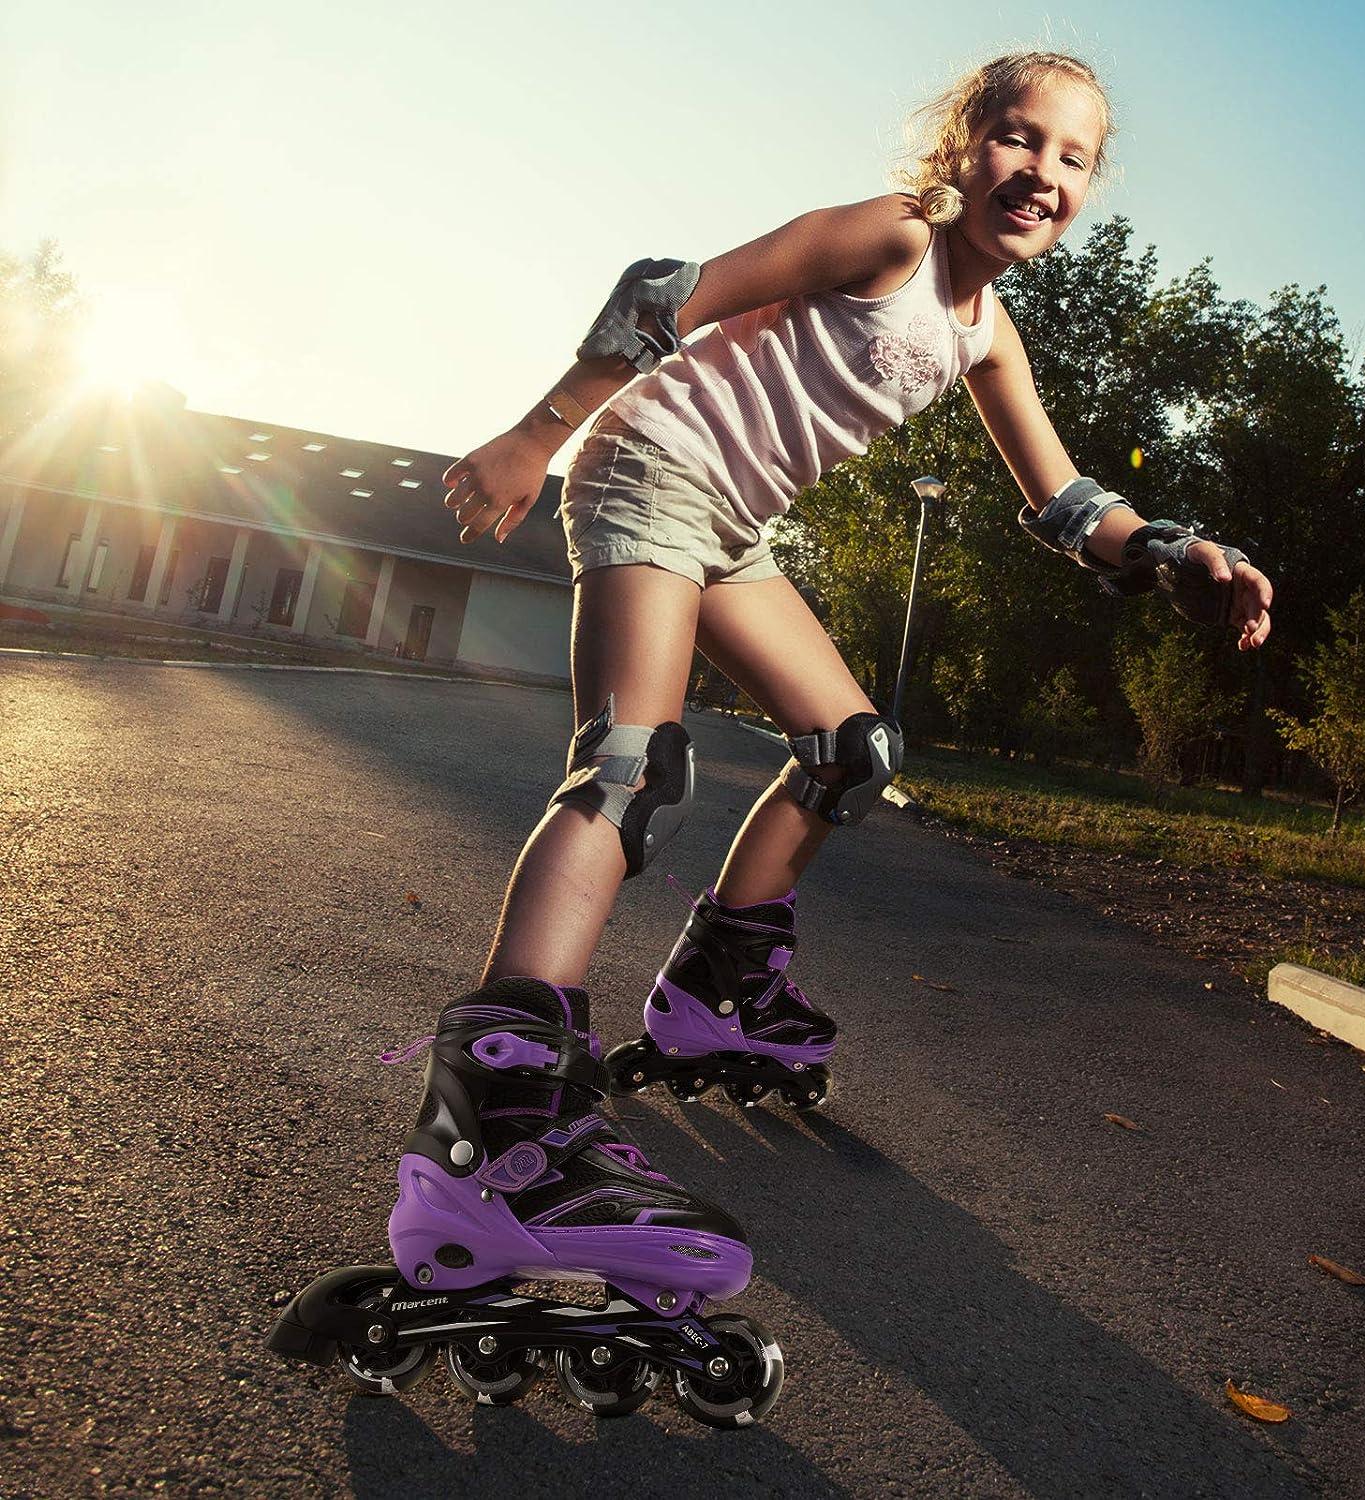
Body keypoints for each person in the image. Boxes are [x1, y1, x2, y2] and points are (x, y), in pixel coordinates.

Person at [269, 51, 1273, 1420]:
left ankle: (718, 987)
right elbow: (668, 292)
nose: (1039, 171)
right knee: (631, 767)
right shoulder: (894, 237)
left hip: (731, 526)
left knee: (853, 748)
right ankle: (495, 1116)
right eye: (1016, 138)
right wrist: (536, 432)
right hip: (644, 468)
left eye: (1072, 157)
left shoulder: (985, 330)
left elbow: (1066, 500)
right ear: (964, 144)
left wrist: (1177, 553)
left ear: (1087, 190)